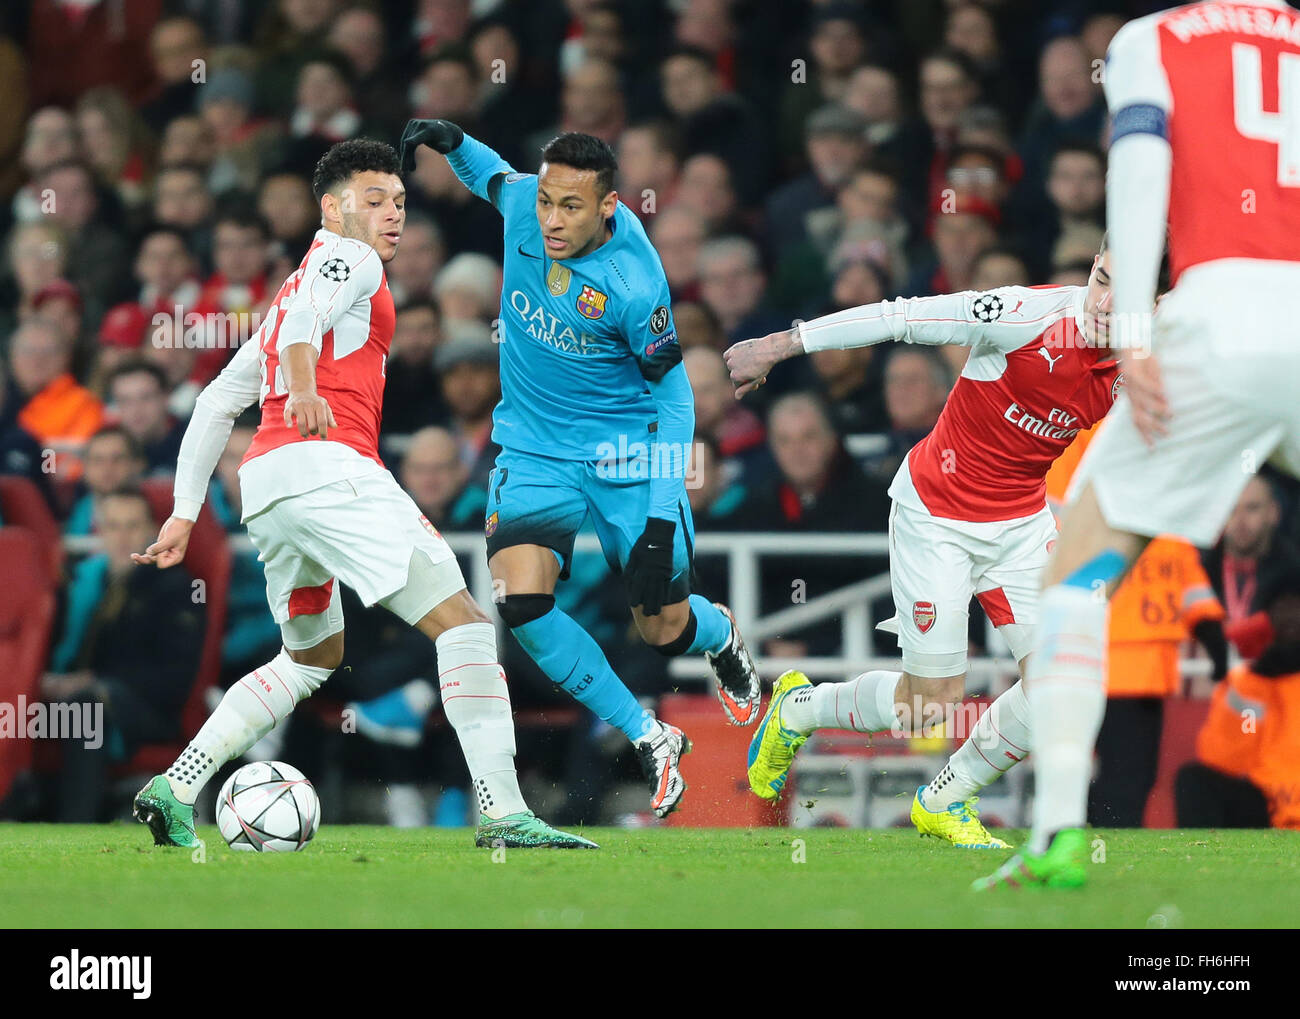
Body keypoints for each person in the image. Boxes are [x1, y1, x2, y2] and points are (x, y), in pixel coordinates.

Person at [130, 138, 592, 851]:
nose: (392, 214)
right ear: (331, 208)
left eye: (401, 201)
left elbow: (217, 402)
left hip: (268, 483)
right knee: (466, 624)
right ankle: (503, 809)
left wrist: (186, 513)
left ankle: (176, 784)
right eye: (374, 200)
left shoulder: (288, 290)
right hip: (328, 468)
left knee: (311, 656)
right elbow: (312, 319)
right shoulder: (348, 260)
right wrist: (309, 387)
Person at [975, 1, 1300, 890]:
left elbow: (1142, 160)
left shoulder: (1152, 38)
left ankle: (1058, 833)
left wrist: (1131, 327)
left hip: (1223, 317)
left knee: (1077, 573)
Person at [402, 117, 761, 818]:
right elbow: (491, 173)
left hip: (626, 451)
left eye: (571, 206)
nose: (552, 219)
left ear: (608, 205)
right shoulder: (523, 205)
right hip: (535, 447)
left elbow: (675, 394)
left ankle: (717, 632)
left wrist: (661, 516)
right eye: (546, 201)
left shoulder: (635, 281)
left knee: (661, 624)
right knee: (524, 604)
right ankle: (649, 734)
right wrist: (449, 141)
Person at [727, 238, 1122, 848]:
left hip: (1022, 521)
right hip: (937, 513)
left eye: (1127, 291)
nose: (1104, 301)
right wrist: (782, 344)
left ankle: (945, 798)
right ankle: (798, 709)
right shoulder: (1023, 316)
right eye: (1101, 277)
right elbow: (900, 316)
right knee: (930, 705)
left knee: (1061, 681)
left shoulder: (1152, 356)